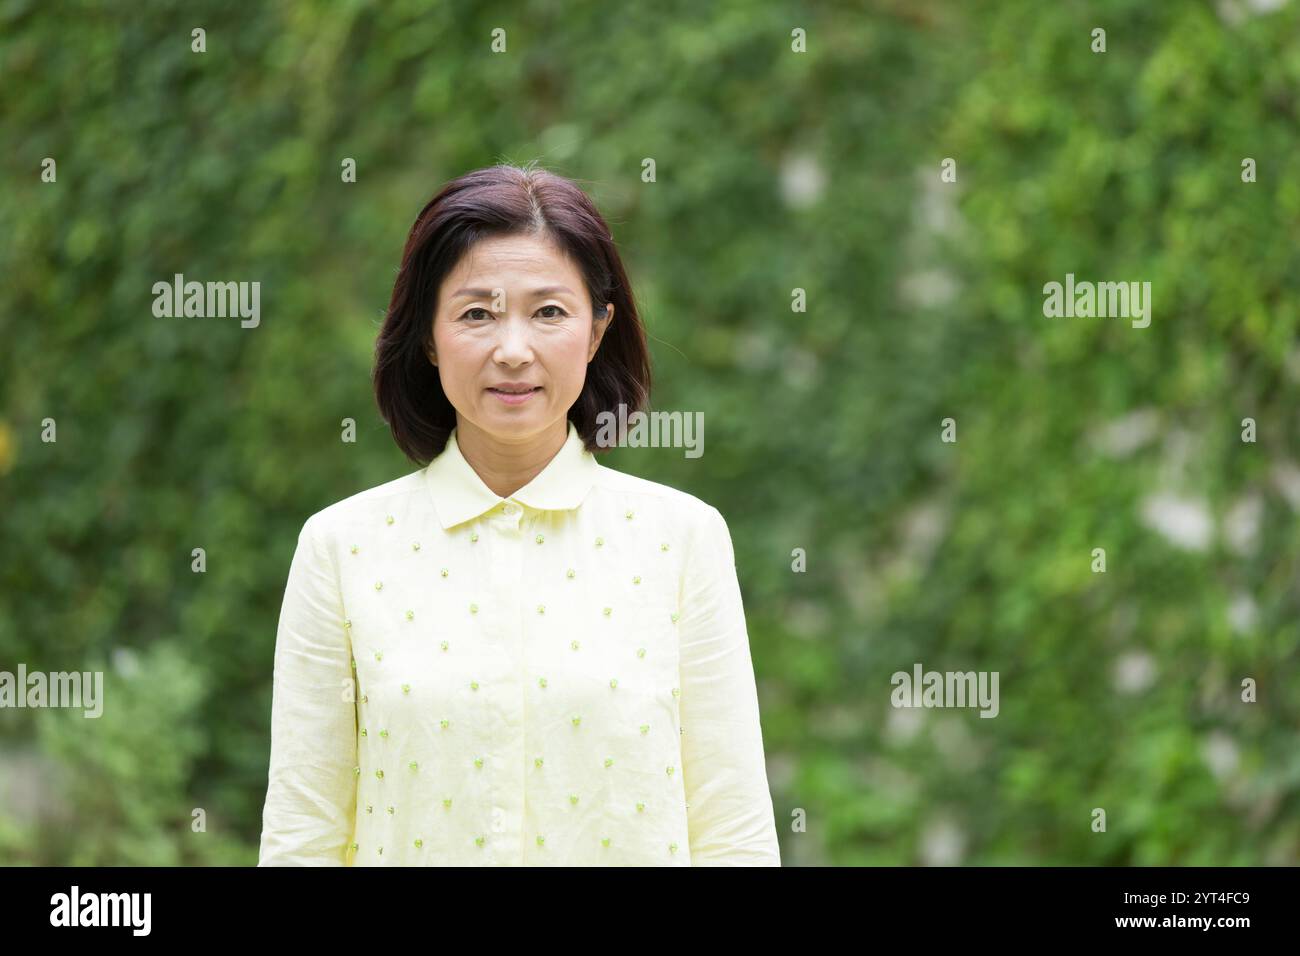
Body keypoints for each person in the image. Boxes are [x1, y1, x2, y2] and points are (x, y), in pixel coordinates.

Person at [257, 162, 780, 866]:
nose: (512, 350)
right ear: (428, 336)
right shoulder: (342, 549)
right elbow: (304, 834)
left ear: (597, 333)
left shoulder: (681, 541)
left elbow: (733, 832)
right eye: (476, 313)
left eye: (549, 312)